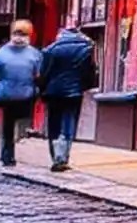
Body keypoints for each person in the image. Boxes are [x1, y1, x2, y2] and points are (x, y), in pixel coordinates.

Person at [39, 25, 97, 172]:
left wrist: (42, 89)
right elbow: (90, 72)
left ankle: (56, 156)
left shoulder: (50, 50)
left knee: (54, 124)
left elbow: (44, 73)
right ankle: (63, 156)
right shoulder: (86, 49)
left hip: (53, 91)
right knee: (69, 123)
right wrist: (84, 86)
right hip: (74, 92)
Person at [0, 20, 42, 167]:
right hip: (25, 95)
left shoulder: (0, 53)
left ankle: (7, 155)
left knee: (7, 124)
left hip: (5, 94)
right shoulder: (34, 54)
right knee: (19, 121)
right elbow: (38, 74)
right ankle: (18, 138)